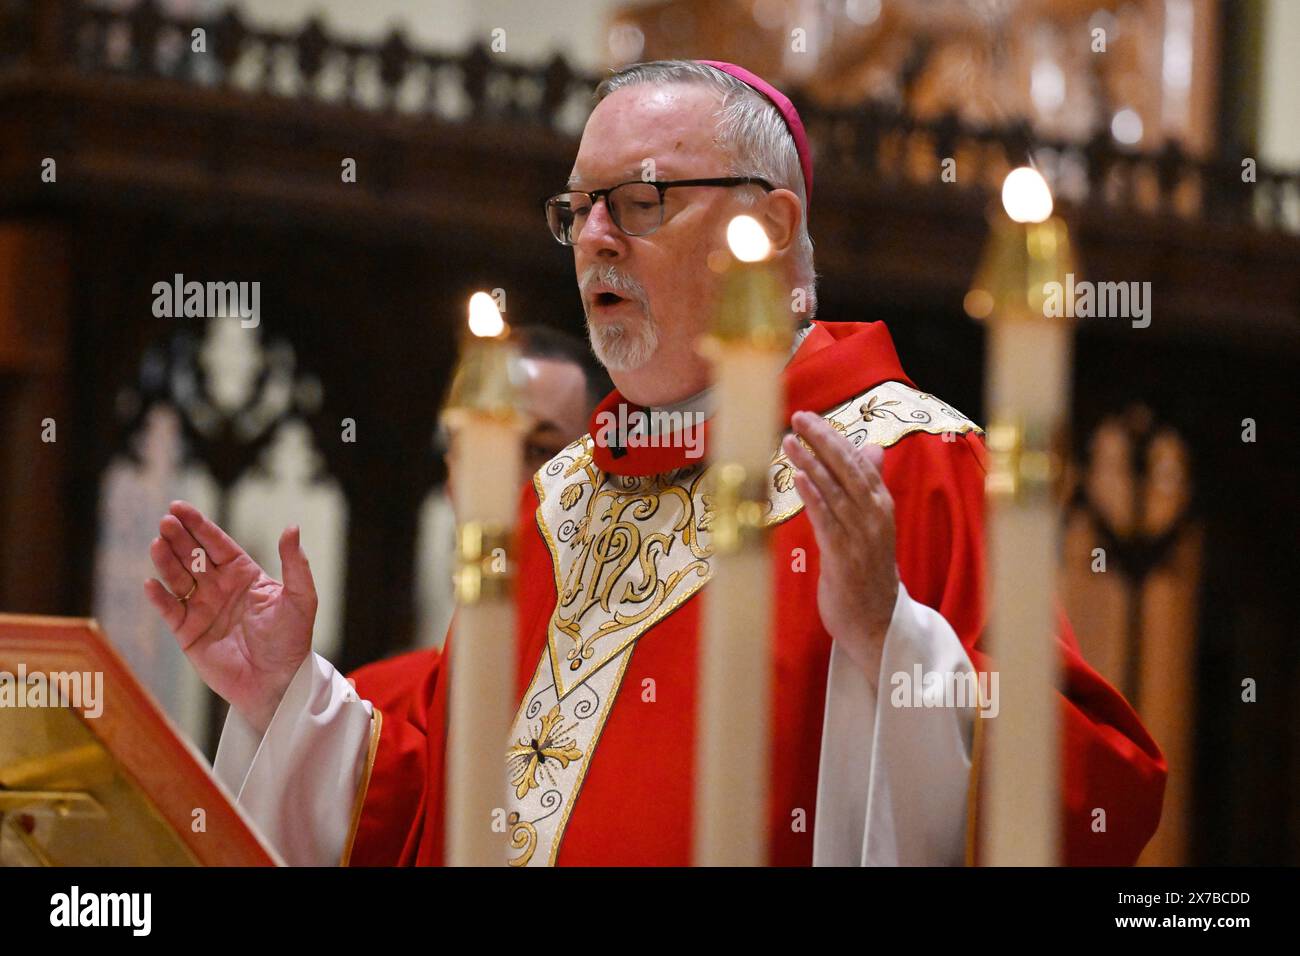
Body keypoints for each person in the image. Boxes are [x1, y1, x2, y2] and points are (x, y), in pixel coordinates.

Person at [144, 59, 1165, 867]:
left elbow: (1090, 792)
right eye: (576, 208)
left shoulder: (908, 462)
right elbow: (444, 811)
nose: (592, 238)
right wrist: (289, 702)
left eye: (638, 200)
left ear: (768, 226)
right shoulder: (556, 496)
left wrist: (896, 647)